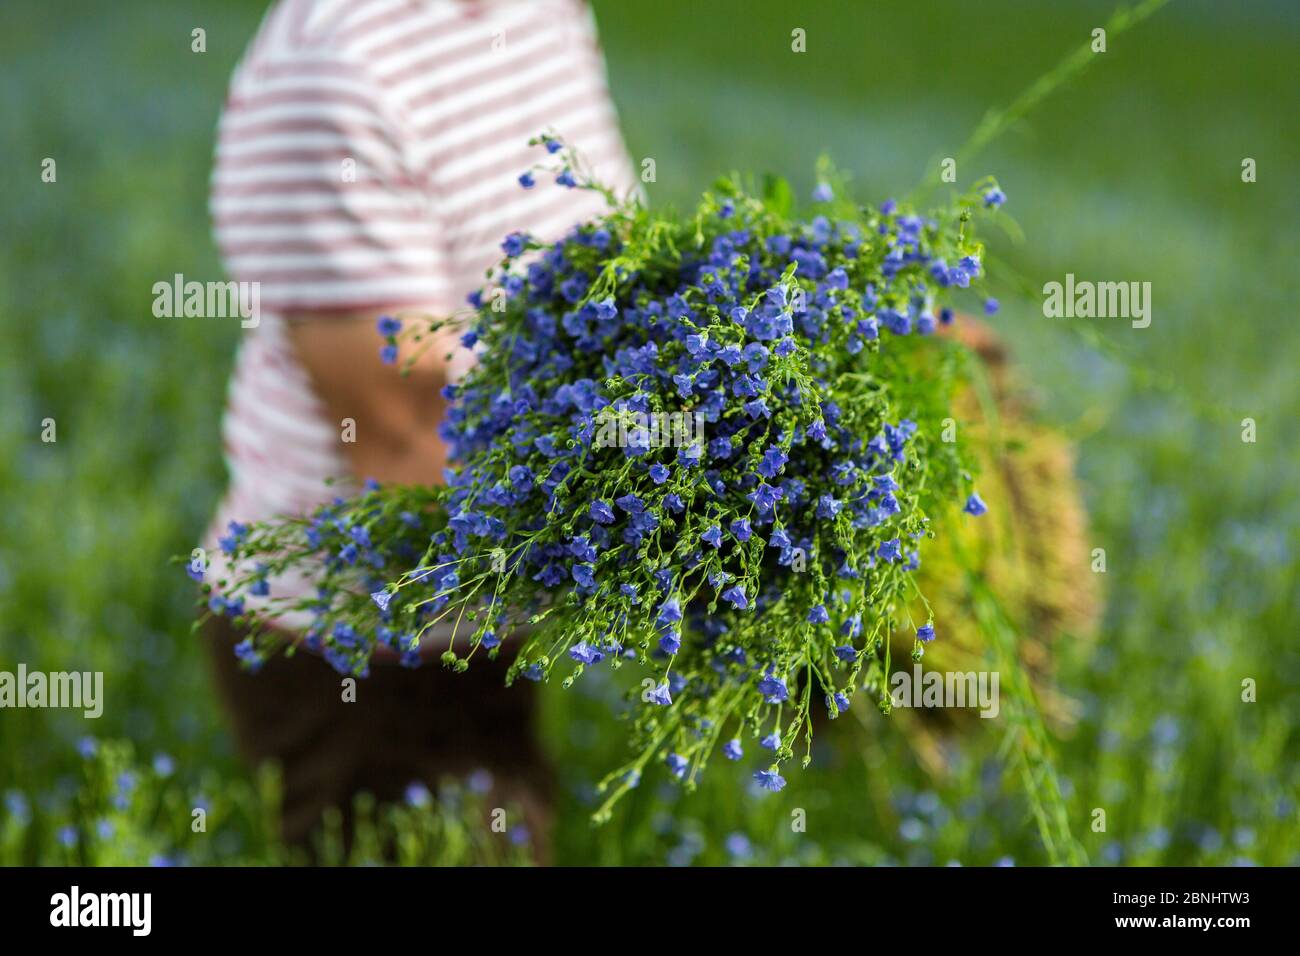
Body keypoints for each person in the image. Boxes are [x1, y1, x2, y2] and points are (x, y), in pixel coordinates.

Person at [201, 0, 636, 857]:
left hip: (494, 610)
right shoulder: (333, 73)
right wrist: (718, 503)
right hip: (358, 659)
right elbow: (406, 445)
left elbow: (602, 271)